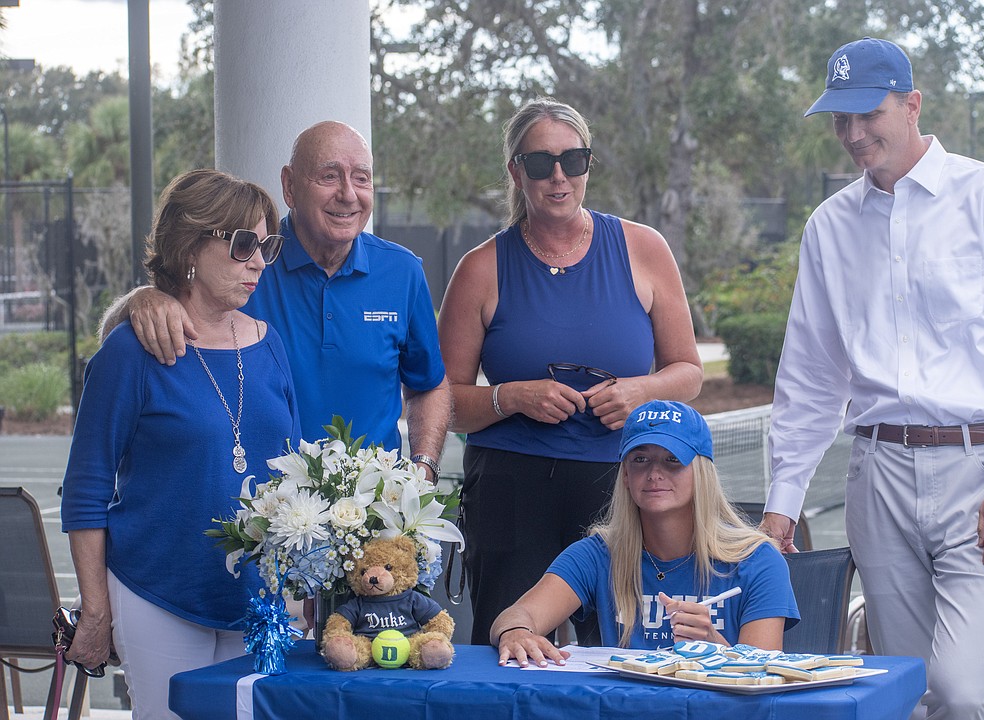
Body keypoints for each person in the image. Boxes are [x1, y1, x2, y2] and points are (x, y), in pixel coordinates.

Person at [762, 38, 984, 719]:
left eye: (869, 113)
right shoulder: (829, 227)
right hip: (879, 475)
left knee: (957, 689)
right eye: (841, 120)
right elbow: (809, 379)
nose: (855, 133)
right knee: (904, 688)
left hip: (982, 473)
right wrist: (781, 506)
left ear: (911, 104)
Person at [438, 97, 703, 645]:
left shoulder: (643, 248)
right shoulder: (481, 268)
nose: (558, 177)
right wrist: (510, 397)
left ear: (588, 164)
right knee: (509, 646)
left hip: (620, 486)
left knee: (626, 647)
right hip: (511, 488)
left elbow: (689, 373)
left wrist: (642, 392)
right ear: (516, 171)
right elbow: (440, 401)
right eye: (540, 164)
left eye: (573, 161)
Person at [61, 169, 303, 719]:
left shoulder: (269, 345)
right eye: (243, 244)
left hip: (257, 599)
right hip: (158, 591)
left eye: (266, 245)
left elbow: (295, 474)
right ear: (189, 245)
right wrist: (96, 611)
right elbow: (86, 486)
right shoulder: (131, 352)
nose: (259, 261)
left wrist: (298, 587)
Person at [100, 121, 450, 481]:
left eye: (361, 178)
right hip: (257, 516)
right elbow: (126, 340)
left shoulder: (402, 271)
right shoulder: (244, 261)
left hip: (369, 519)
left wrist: (423, 468)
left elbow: (430, 385)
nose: (348, 193)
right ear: (289, 186)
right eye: (329, 176)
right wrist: (141, 299)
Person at [491, 400, 799, 667]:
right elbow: (516, 615)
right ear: (625, 475)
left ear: (701, 472)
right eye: (640, 459)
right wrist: (517, 633)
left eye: (672, 460)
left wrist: (714, 645)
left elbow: (764, 679)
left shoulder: (758, 559)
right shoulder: (598, 553)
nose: (654, 473)